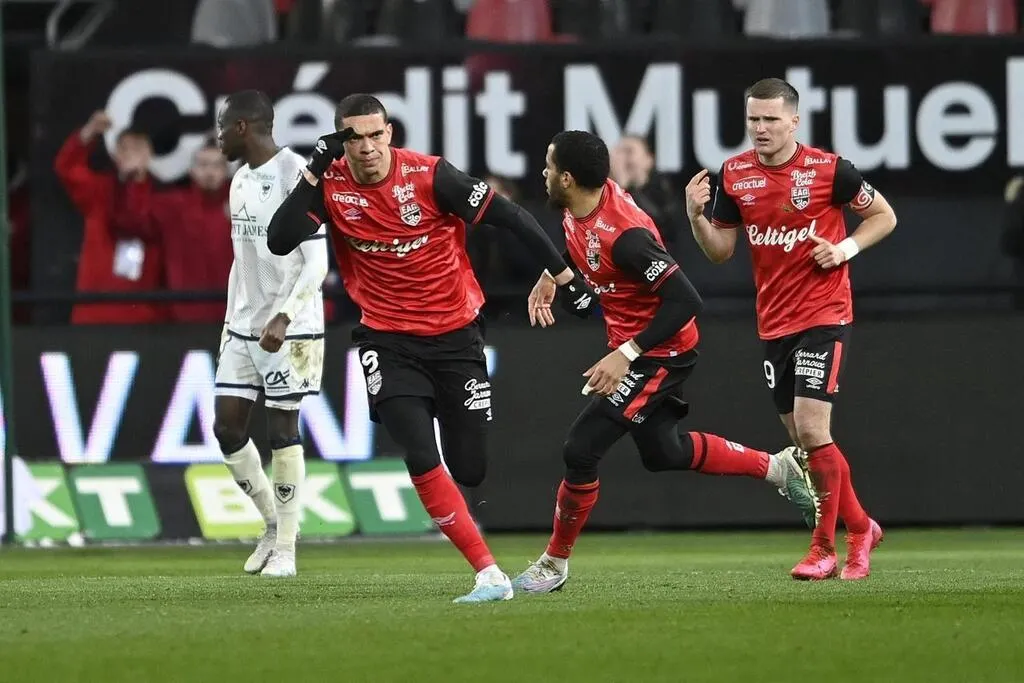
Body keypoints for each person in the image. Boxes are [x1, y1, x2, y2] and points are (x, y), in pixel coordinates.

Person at [266, 94, 596, 603]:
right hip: (386, 338)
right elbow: (280, 239)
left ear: (390, 133)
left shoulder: (431, 176)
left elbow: (512, 219)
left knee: (470, 467)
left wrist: (563, 272)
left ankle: (479, 545)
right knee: (419, 451)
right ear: (340, 141)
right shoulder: (329, 185)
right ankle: (487, 573)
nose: (368, 147)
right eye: (355, 137)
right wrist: (311, 172)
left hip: (456, 336)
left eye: (376, 135)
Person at [509, 131, 820, 594]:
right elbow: (585, 246)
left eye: (550, 166)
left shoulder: (627, 234)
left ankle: (554, 564)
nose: (544, 173)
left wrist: (626, 354)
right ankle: (779, 469)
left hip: (661, 352)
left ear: (568, 178)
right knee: (663, 453)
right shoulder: (582, 205)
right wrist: (551, 275)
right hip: (636, 345)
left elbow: (685, 299)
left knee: (580, 448)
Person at [686, 77, 898, 581]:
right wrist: (695, 215)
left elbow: (885, 216)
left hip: (824, 314)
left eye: (771, 120)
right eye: (753, 119)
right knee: (808, 443)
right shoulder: (734, 175)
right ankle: (863, 526)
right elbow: (719, 252)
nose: (760, 129)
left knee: (811, 428)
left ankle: (824, 548)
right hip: (773, 323)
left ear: (794, 122)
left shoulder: (830, 171)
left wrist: (844, 249)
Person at [212, 90, 329, 578]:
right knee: (226, 430)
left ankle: (286, 549)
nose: (217, 137)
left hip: (292, 330)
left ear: (243, 126)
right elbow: (243, 263)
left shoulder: (295, 177)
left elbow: (317, 262)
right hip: (241, 327)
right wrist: (229, 321)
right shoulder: (239, 180)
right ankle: (270, 524)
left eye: (221, 127)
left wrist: (284, 315)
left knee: (283, 432)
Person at [54, 112, 165, 324]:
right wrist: (88, 134)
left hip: (143, 317)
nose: (132, 155)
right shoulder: (100, 191)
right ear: (115, 155)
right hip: (95, 312)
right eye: (125, 149)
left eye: (138, 149)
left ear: (149, 155)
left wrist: (136, 185)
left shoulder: (163, 198)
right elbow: (66, 168)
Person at [113, 137, 233, 323]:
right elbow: (133, 224)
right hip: (183, 321)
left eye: (217, 166)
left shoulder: (244, 209)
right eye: (203, 165)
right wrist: (136, 181)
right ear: (192, 170)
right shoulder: (174, 206)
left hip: (232, 321)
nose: (210, 172)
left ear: (226, 172)